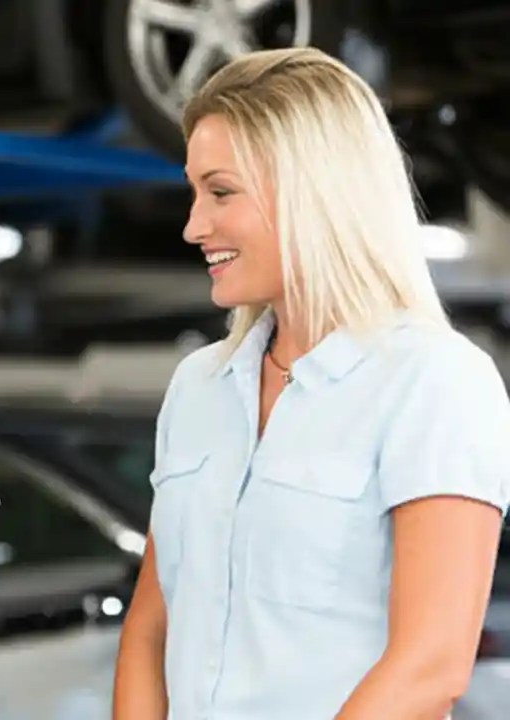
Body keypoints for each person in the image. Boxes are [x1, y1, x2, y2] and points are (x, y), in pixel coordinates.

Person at [112, 47, 510, 720]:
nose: (193, 225)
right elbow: (151, 633)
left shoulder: (436, 382)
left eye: (221, 191)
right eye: (193, 192)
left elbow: (430, 665)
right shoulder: (197, 390)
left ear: (312, 190)